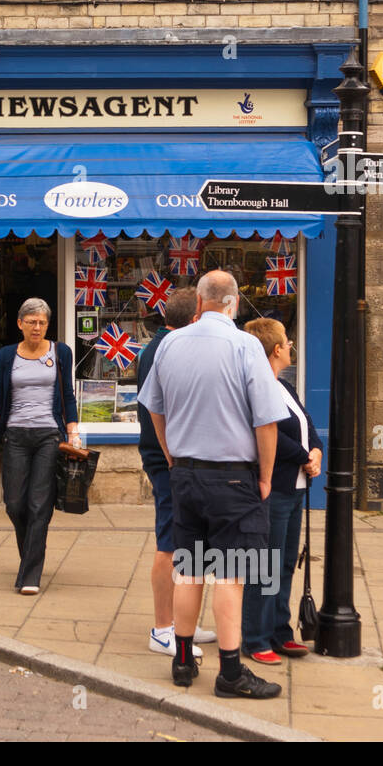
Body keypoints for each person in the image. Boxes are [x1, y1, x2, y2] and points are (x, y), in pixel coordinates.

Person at [141, 270, 287, 699]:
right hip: (232, 477)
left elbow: (153, 407)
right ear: (234, 303)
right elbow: (267, 420)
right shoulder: (245, 346)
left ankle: (183, 660)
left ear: (200, 302)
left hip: (185, 476)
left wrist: (172, 456)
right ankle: (229, 673)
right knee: (232, 574)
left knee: (188, 569)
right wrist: (264, 475)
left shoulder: (170, 344)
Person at [0, 299, 78, 595]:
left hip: (48, 435)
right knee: (14, 503)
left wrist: (73, 432)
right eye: (31, 321)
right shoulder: (7, 356)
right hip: (16, 436)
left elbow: (68, 396)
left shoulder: (61, 353)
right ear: (19, 323)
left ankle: (30, 574)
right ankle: (31, 557)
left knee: (39, 504)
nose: (37, 327)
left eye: (42, 322)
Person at [137, 288, 216, 657]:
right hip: (168, 459)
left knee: (186, 540)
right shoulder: (166, 349)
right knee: (169, 542)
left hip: (174, 457)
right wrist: (172, 456)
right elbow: (160, 410)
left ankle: (183, 622)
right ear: (196, 317)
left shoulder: (163, 345)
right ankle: (163, 628)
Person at [240, 318, 322, 665]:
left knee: (287, 563)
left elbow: (306, 424)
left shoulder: (285, 387)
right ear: (276, 349)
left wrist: (317, 450)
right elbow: (269, 432)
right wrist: (304, 456)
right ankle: (255, 637)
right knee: (265, 565)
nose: (291, 346)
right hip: (274, 488)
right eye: (287, 342)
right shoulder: (257, 386)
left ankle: (280, 631)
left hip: (297, 487)